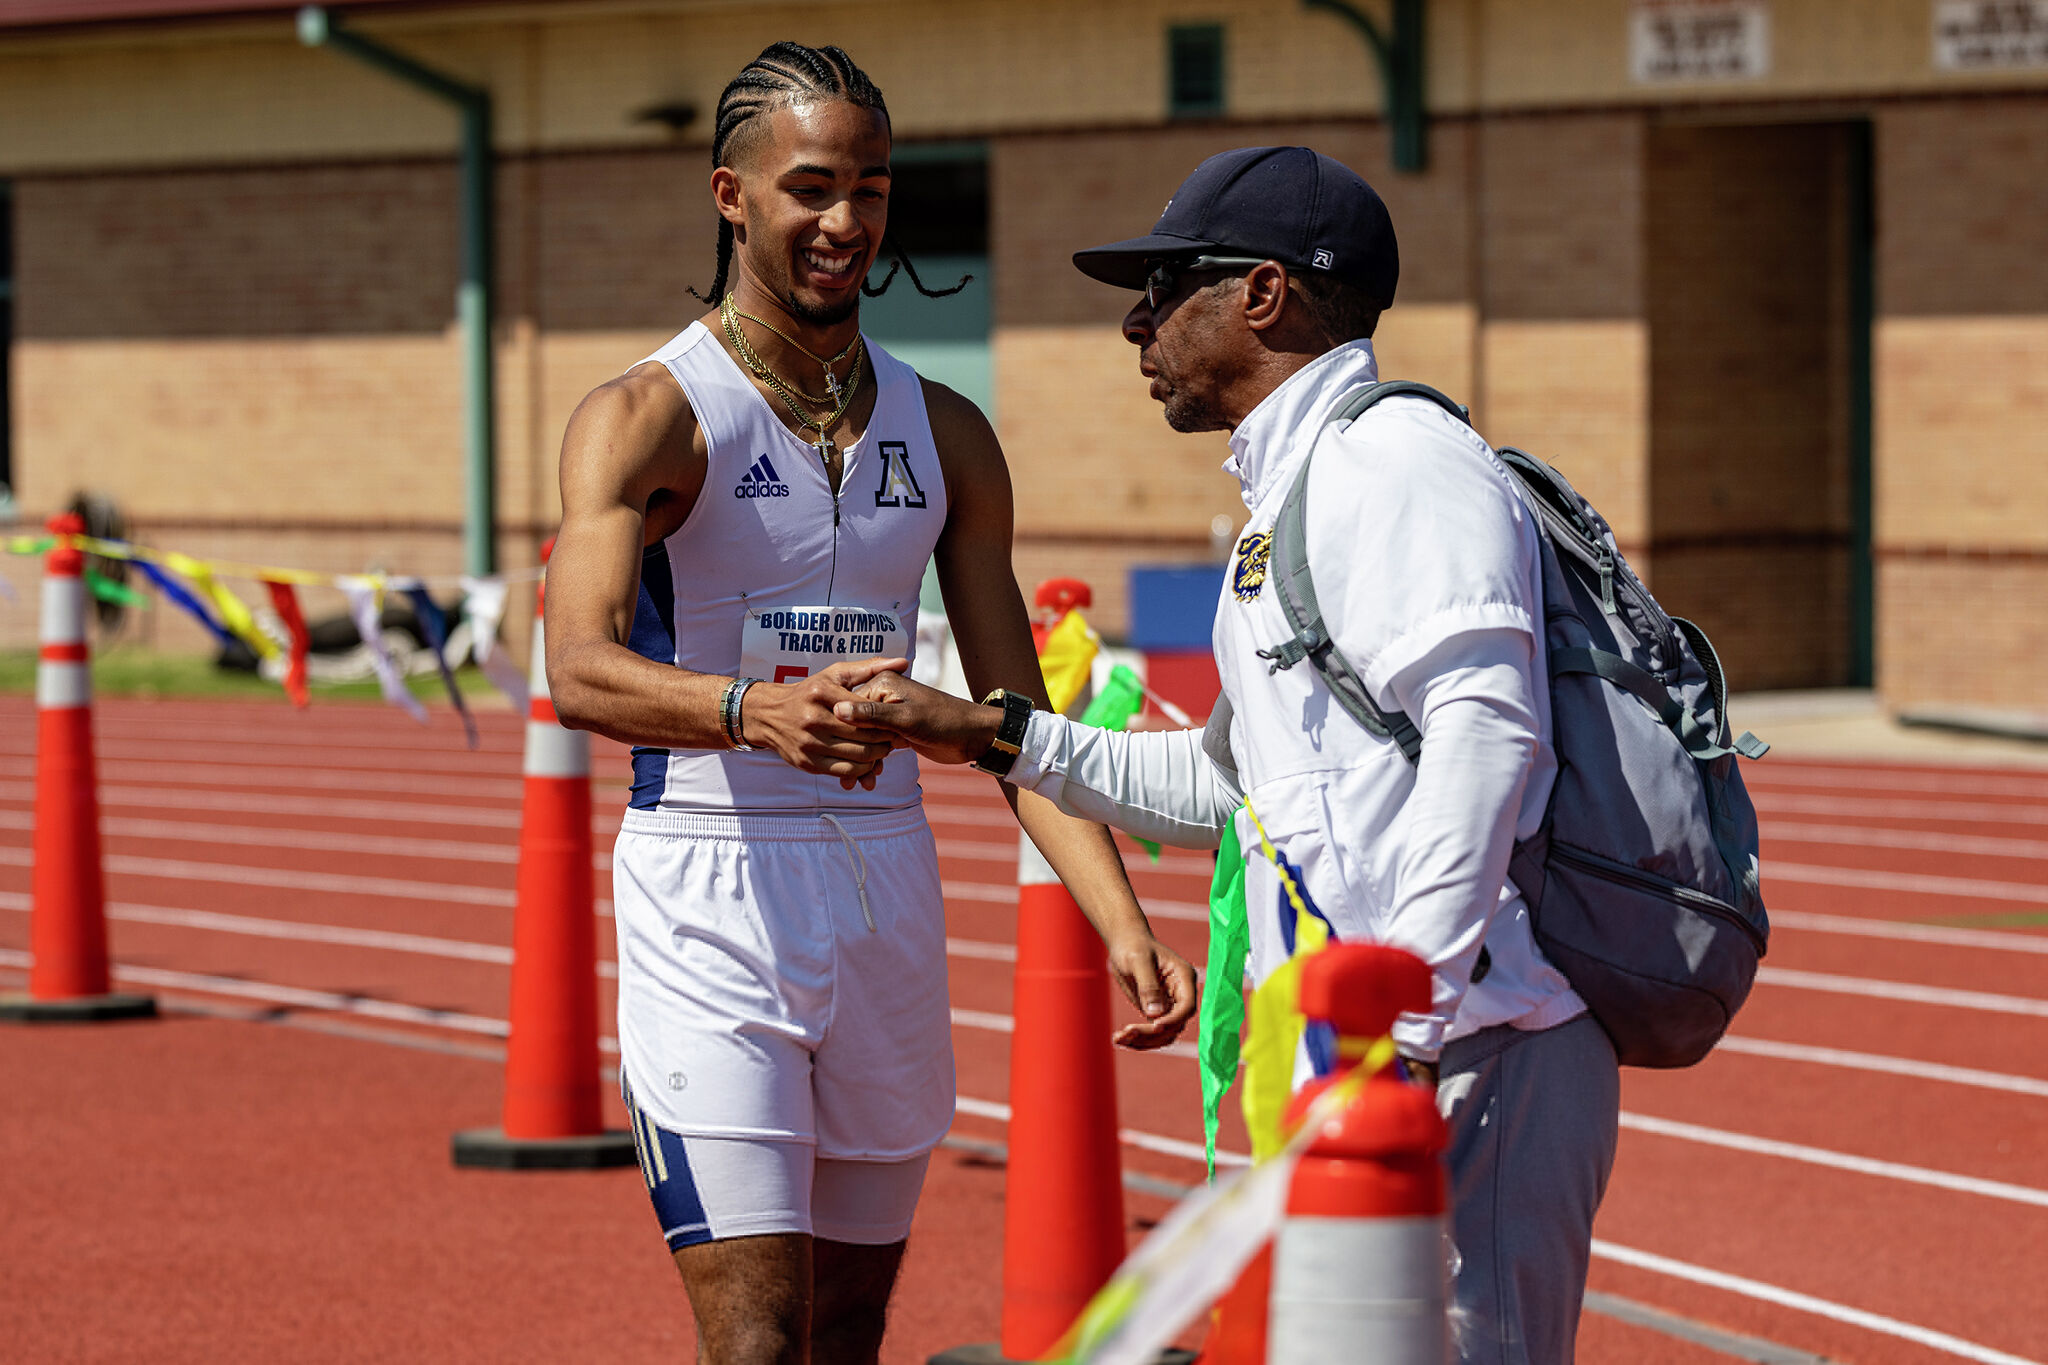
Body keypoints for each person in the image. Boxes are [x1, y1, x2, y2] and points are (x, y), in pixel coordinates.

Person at [838, 145, 1622, 1363]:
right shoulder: (1294, 496)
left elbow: (1488, 734)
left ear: (1262, 293)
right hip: (1367, 1059)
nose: (1133, 325)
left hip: (1473, 1049)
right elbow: (1231, 791)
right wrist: (977, 729)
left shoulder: (1394, 464)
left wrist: (1400, 1021)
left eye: (1163, 287)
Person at [542, 42, 1197, 1365]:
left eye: (876, 189)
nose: (848, 221)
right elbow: (576, 667)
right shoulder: (647, 416)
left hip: (887, 900)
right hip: (710, 895)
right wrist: (749, 711)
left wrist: (1121, 915)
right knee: (758, 1344)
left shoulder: (946, 428)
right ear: (733, 194)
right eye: (814, 188)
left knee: (849, 1333)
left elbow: (1016, 711)